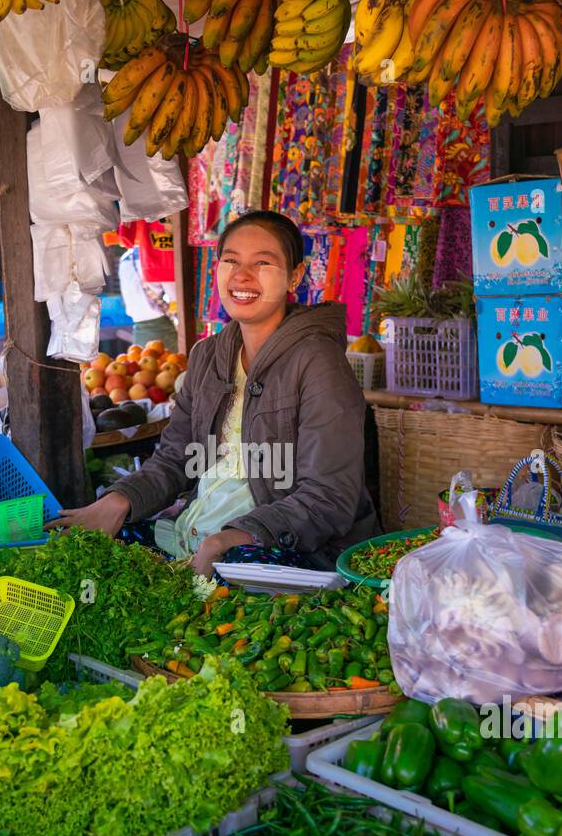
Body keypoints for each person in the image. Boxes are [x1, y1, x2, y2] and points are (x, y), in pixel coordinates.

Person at [52, 209, 380, 576]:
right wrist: (120, 499)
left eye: (263, 262)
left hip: (289, 546)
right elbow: (177, 457)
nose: (242, 275)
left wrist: (233, 537)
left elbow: (329, 497)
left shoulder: (318, 361)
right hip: (197, 529)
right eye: (231, 261)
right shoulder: (208, 356)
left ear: (295, 276)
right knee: (97, 548)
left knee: (235, 567)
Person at [117, 238, 178, 352]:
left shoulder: (124, 259)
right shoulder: (153, 252)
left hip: (138, 330)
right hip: (160, 328)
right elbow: (174, 292)